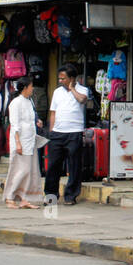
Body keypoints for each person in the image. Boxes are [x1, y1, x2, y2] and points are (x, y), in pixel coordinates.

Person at [46, 64, 90, 206]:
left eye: (63, 78)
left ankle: (70, 195)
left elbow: (82, 100)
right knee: (53, 166)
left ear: (71, 79)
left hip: (74, 132)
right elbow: (53, 112)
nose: (60, 81)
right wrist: (52, 131)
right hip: (58, 134)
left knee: (74, 165)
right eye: (59, 78)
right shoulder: (57, 92)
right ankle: (51, 195)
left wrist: (71, 88)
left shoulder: (82, 90)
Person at [4, 77, 43, 209]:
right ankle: (10, 196)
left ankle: (24, 198)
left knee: (30, 170)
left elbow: (30, 119)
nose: (32, 89)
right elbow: (14, 124)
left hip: (30, 140)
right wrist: (18, 143)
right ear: (25, 88)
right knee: (21, 170)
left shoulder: (28, 102)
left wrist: (37, 122)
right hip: (20, 141)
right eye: (31, 86)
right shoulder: (16, 103)